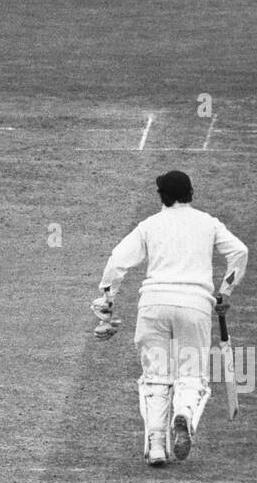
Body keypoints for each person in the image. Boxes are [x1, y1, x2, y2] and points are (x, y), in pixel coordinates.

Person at [92, 170, 248, 467]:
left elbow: (116, 262)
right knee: (191, 374)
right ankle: (184, 414)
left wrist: (107, 306)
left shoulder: (150, 225)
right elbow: (239, 252)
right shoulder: (208, 223)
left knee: (156, 377)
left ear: (162, 196)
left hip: (153, 304)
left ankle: (156, 447)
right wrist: (225, 291)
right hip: (195, 305)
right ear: (191, 192)